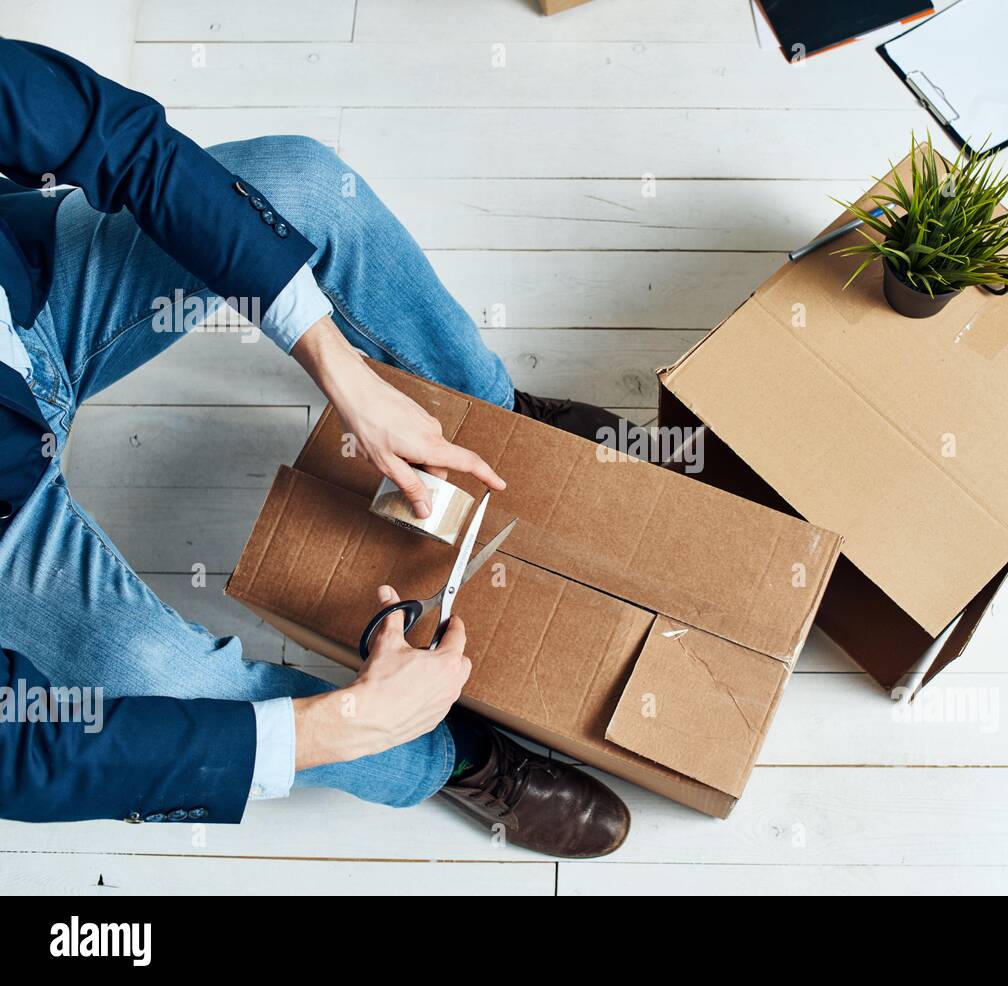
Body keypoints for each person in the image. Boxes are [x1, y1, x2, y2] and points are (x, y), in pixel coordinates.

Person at [0, 38, 631, 859]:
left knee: (300, 183)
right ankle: (442, 755)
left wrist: (342, 370)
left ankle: (496, 413)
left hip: (34, 304)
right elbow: (23, 759)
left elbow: (128, 145)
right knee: (169, 680)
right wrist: (334, 728)